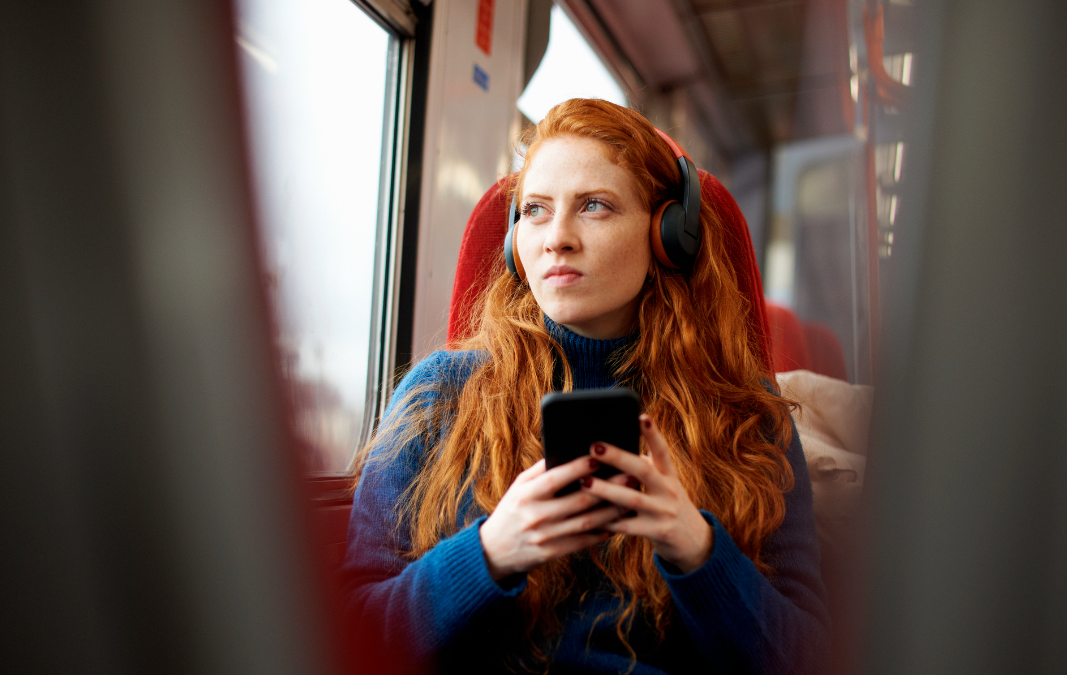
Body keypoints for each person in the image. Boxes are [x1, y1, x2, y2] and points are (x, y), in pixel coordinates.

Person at [341, 98, 830, 674]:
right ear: (513, 240)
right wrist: (489, 553)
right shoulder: (439, 397)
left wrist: (697, 549)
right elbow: (352, 635)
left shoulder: (748, 413)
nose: (557, 238)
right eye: (536, 210)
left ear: (668, 232)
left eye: (595, 206)